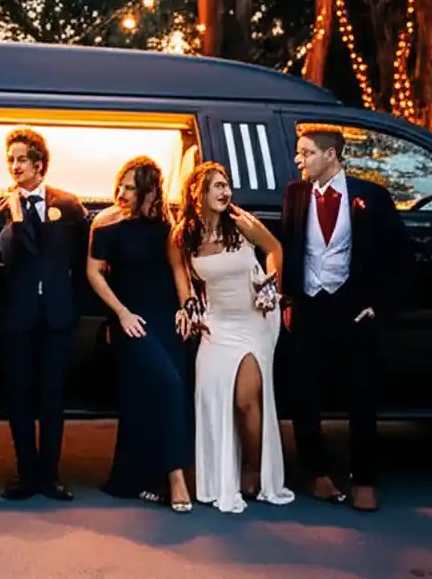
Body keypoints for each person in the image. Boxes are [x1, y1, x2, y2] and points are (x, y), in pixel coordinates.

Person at [281, 128, 411, 513]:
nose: (299, 160)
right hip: (308, 307)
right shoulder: (295, 194)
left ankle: (365, 479)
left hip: (353, 310)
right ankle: (317, 473)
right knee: (304, 394)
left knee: (362, 397)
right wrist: (288, 298)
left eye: (306, 153)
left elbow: (400, 258)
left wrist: (380, 306)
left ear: (332, 155)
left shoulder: (371, 197)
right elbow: (290, 246)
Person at [176, 162, 294, 514]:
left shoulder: (242, 223)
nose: (224, 192)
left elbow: (275, 251)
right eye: (216, 186)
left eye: (226, 185)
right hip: (217, 324)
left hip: (256, 319)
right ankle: (217, 472)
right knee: (214, 400)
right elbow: (183, 283)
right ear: (198, 193)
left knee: (246, 400)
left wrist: (272, 289)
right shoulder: (183, 235)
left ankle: (253, 470)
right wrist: (189, 311)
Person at [86, 157, 193, 512]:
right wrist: (121, 313)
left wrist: (187, 307)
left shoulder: (166, 221)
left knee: (161, 391)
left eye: (130, 187)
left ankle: (145, 476)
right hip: (132, 318)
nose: (121, 193)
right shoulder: (105, 223)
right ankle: (176, 476)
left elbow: (178, 268)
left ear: (149, 190)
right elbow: (94, 274)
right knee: (169, 382)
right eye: (120, 185)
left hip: (167, 316)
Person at [0, 127, 89, 501]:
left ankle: (50, 474)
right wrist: (16, 219)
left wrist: (74, 303)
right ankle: (25, 473)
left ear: (39, 164)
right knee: (19, 395)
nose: (14, 166)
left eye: (21, 159)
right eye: (10, 160)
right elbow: (12, 259)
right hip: (19, 315)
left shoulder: (68, 204)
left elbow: (82, 261)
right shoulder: (4, 209)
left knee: (52, 396)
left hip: (57, 315)